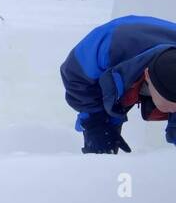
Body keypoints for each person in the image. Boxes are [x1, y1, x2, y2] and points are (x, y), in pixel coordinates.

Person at [60, 16, 176, 154]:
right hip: (118, 48)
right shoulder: (108, 47)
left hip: (151, 56)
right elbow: (75, 77)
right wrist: (96, 121)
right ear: (147, 77)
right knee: (101, 142)